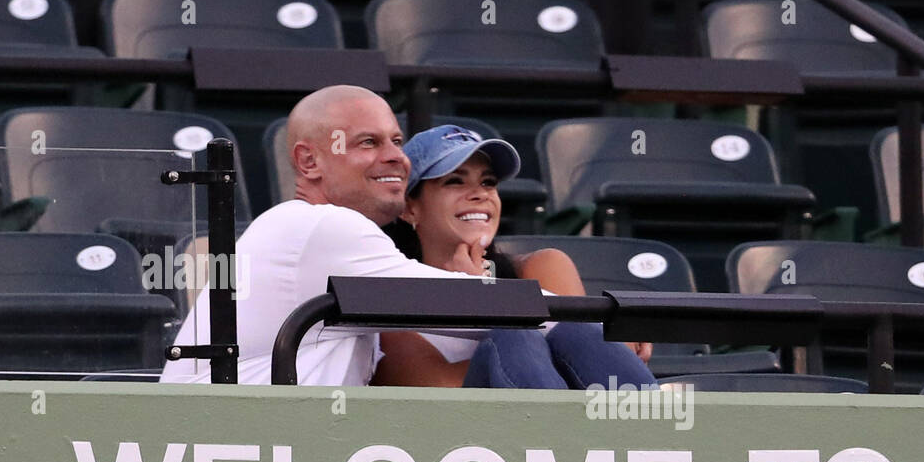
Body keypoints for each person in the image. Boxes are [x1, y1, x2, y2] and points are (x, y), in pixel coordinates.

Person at [161, 84, 476, 384]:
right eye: (368, 142)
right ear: (309, 161)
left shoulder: (307, 228)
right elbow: (473, 314)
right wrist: (478, 285)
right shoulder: (321, 226)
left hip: (237, 430)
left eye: (396, 141)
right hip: (220, 432)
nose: (396, 156)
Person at [371, 123, 655, 390]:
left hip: (577, 428)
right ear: (409, 208)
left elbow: (591, 354)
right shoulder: (392, 297)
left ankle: (658, 432)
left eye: (488, 182)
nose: (479, 194)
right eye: (455, 181)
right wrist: (477, 297)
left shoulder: (542, 266)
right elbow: (437, 394)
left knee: (575, 331)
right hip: (471, 437)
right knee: (515, 335)